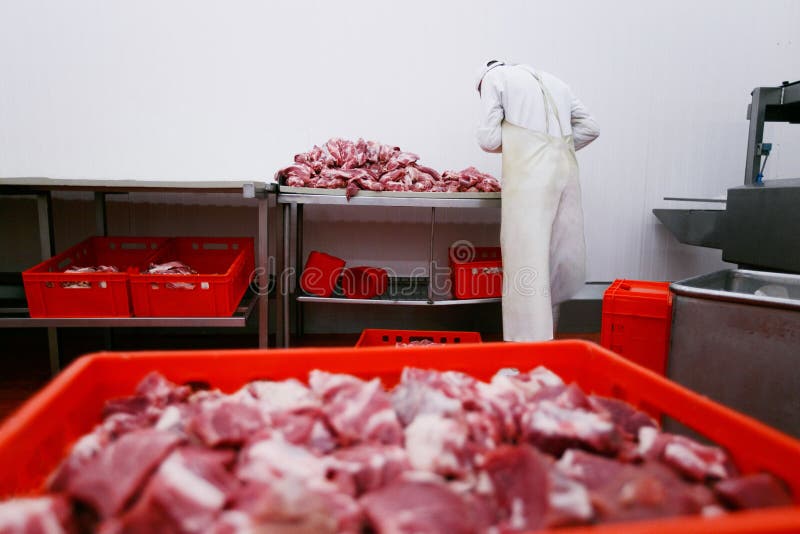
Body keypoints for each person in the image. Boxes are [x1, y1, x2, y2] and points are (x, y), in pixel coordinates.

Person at [475, 60, 599, 341]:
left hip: (530, 181)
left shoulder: (494, 78)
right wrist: (551, 146)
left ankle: (524, 355)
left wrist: (527, 147)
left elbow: (488, 138)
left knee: (526, 263)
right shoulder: (557, 81)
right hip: (564, 174)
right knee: (554, 258)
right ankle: (550, 344)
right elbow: (591, 128)